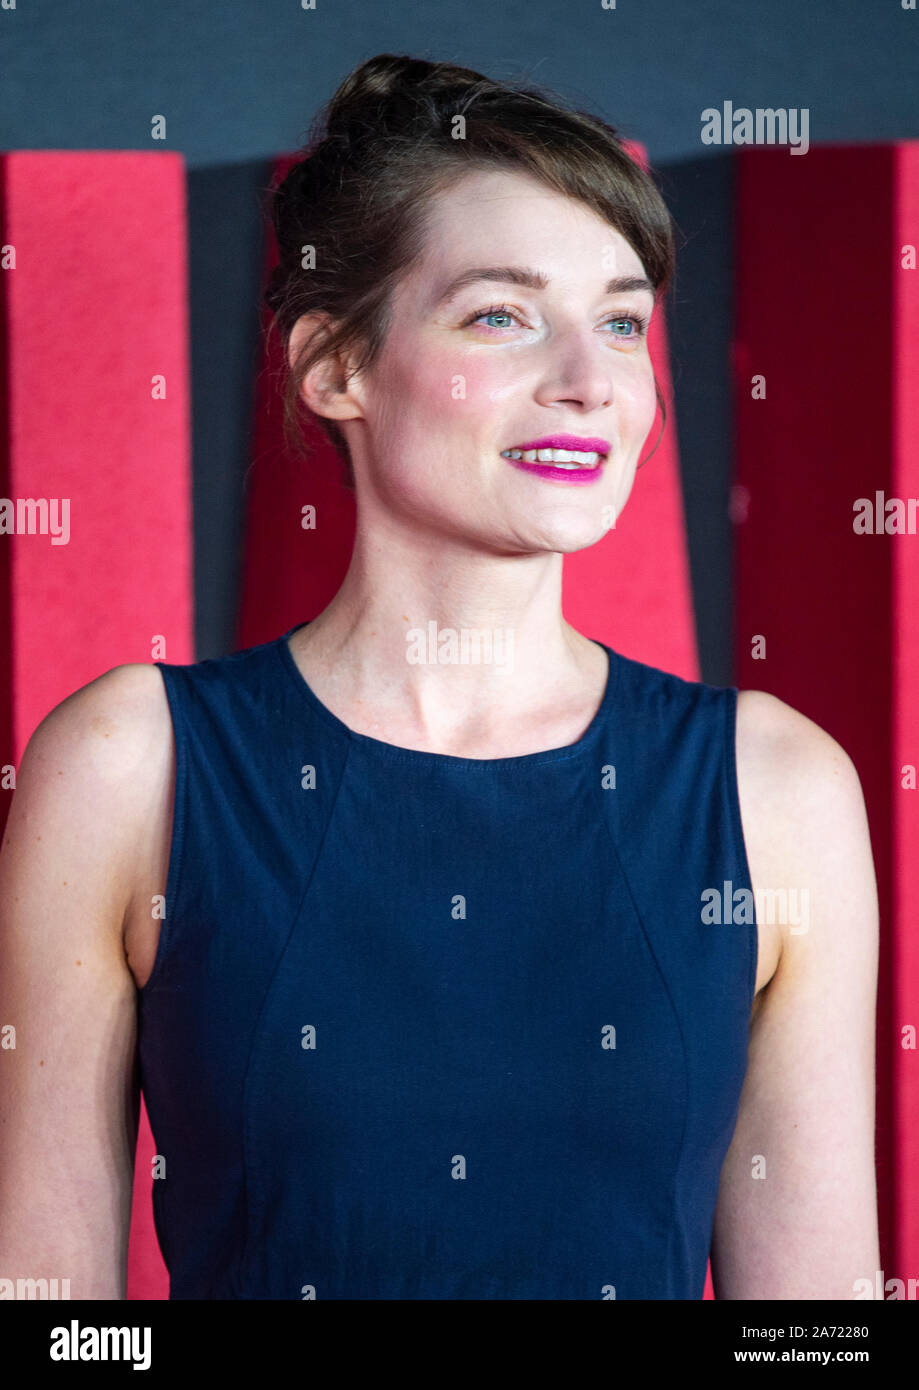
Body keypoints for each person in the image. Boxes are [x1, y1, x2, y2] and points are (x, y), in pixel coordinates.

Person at [0, 53, 879, 1300]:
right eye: (500, 315)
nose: (589, 379)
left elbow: (815, 1329)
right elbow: (49, 1317)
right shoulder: (127, 764)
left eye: (622, 320)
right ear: (336, 366)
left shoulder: (778, 785)